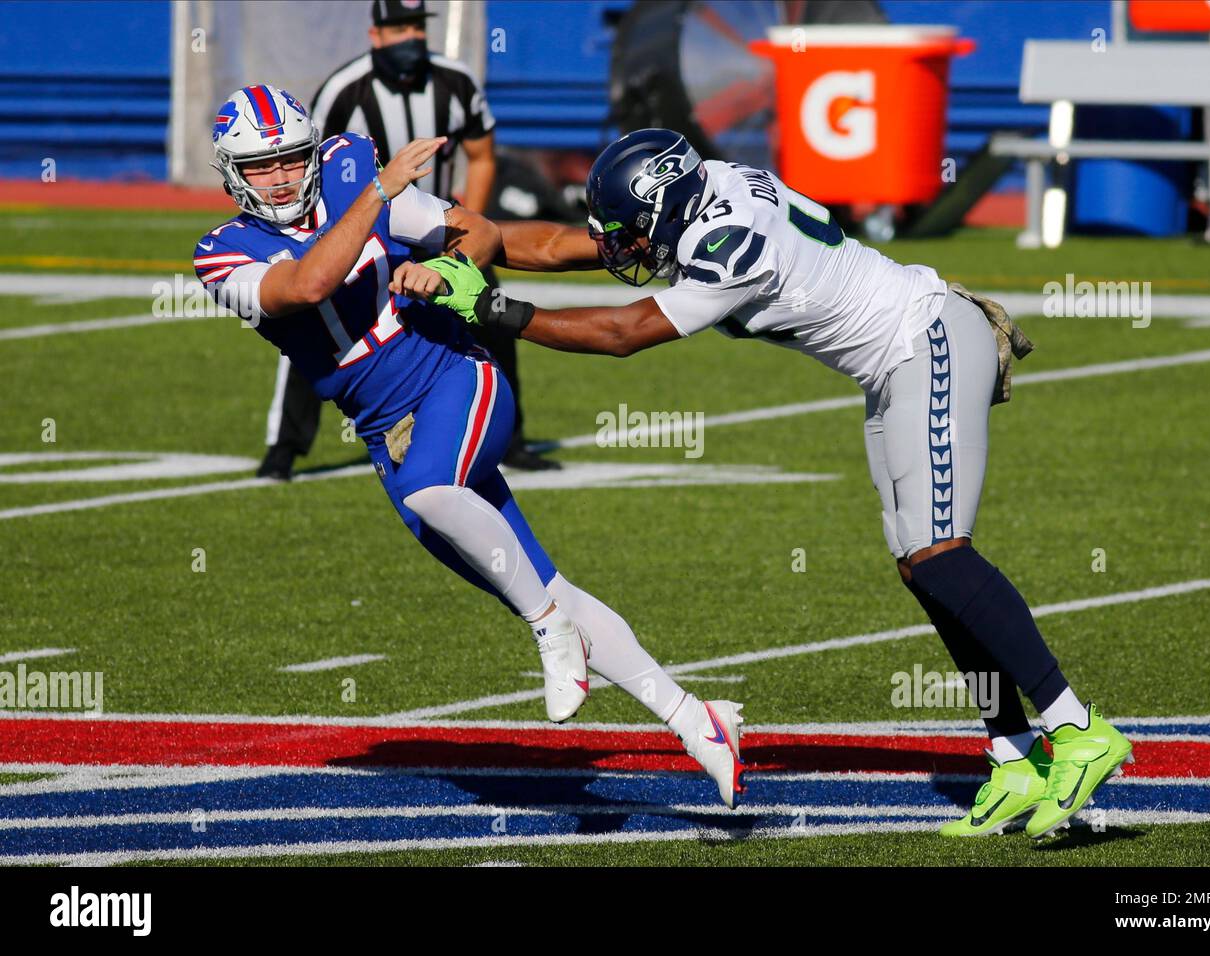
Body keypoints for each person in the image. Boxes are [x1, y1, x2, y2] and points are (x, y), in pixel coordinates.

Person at [406, 128, 1135, 840]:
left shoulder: (727, 244)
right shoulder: (696, 196)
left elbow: (623, 333)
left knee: (942, 554)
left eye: (630, 233)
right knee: (923, 567)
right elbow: (571, 244)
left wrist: (494, 309)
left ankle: (1075, 725)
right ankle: (1014, 750)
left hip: (927, 340)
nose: (622, 248)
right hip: (894, 364)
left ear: (664, 210)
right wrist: (481, 237)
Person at [197, 93, 744, 807]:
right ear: (234, 175)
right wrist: (377, 194)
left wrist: (445, 267)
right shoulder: (222, 253)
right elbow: (308, 282)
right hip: (381, 427)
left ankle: (550, 636)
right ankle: (697, 721)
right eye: (260, 165)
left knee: (442, 499)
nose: (278, 176)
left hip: (454, 373)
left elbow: (476, 232)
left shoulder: (349, 173)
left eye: (290, 157)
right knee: (544, 583)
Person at [258, 0, 558, 480]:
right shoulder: (344, 91)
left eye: (417, 26)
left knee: (489, 318)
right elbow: (312, 171)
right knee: (324, 327)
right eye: (399, 28)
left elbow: (481, 156)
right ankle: (285, 448)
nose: (410, 37)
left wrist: (463, 225)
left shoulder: (455, 82)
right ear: (375, 34)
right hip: (366, 232)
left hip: (438, 226)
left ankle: (512, 437)